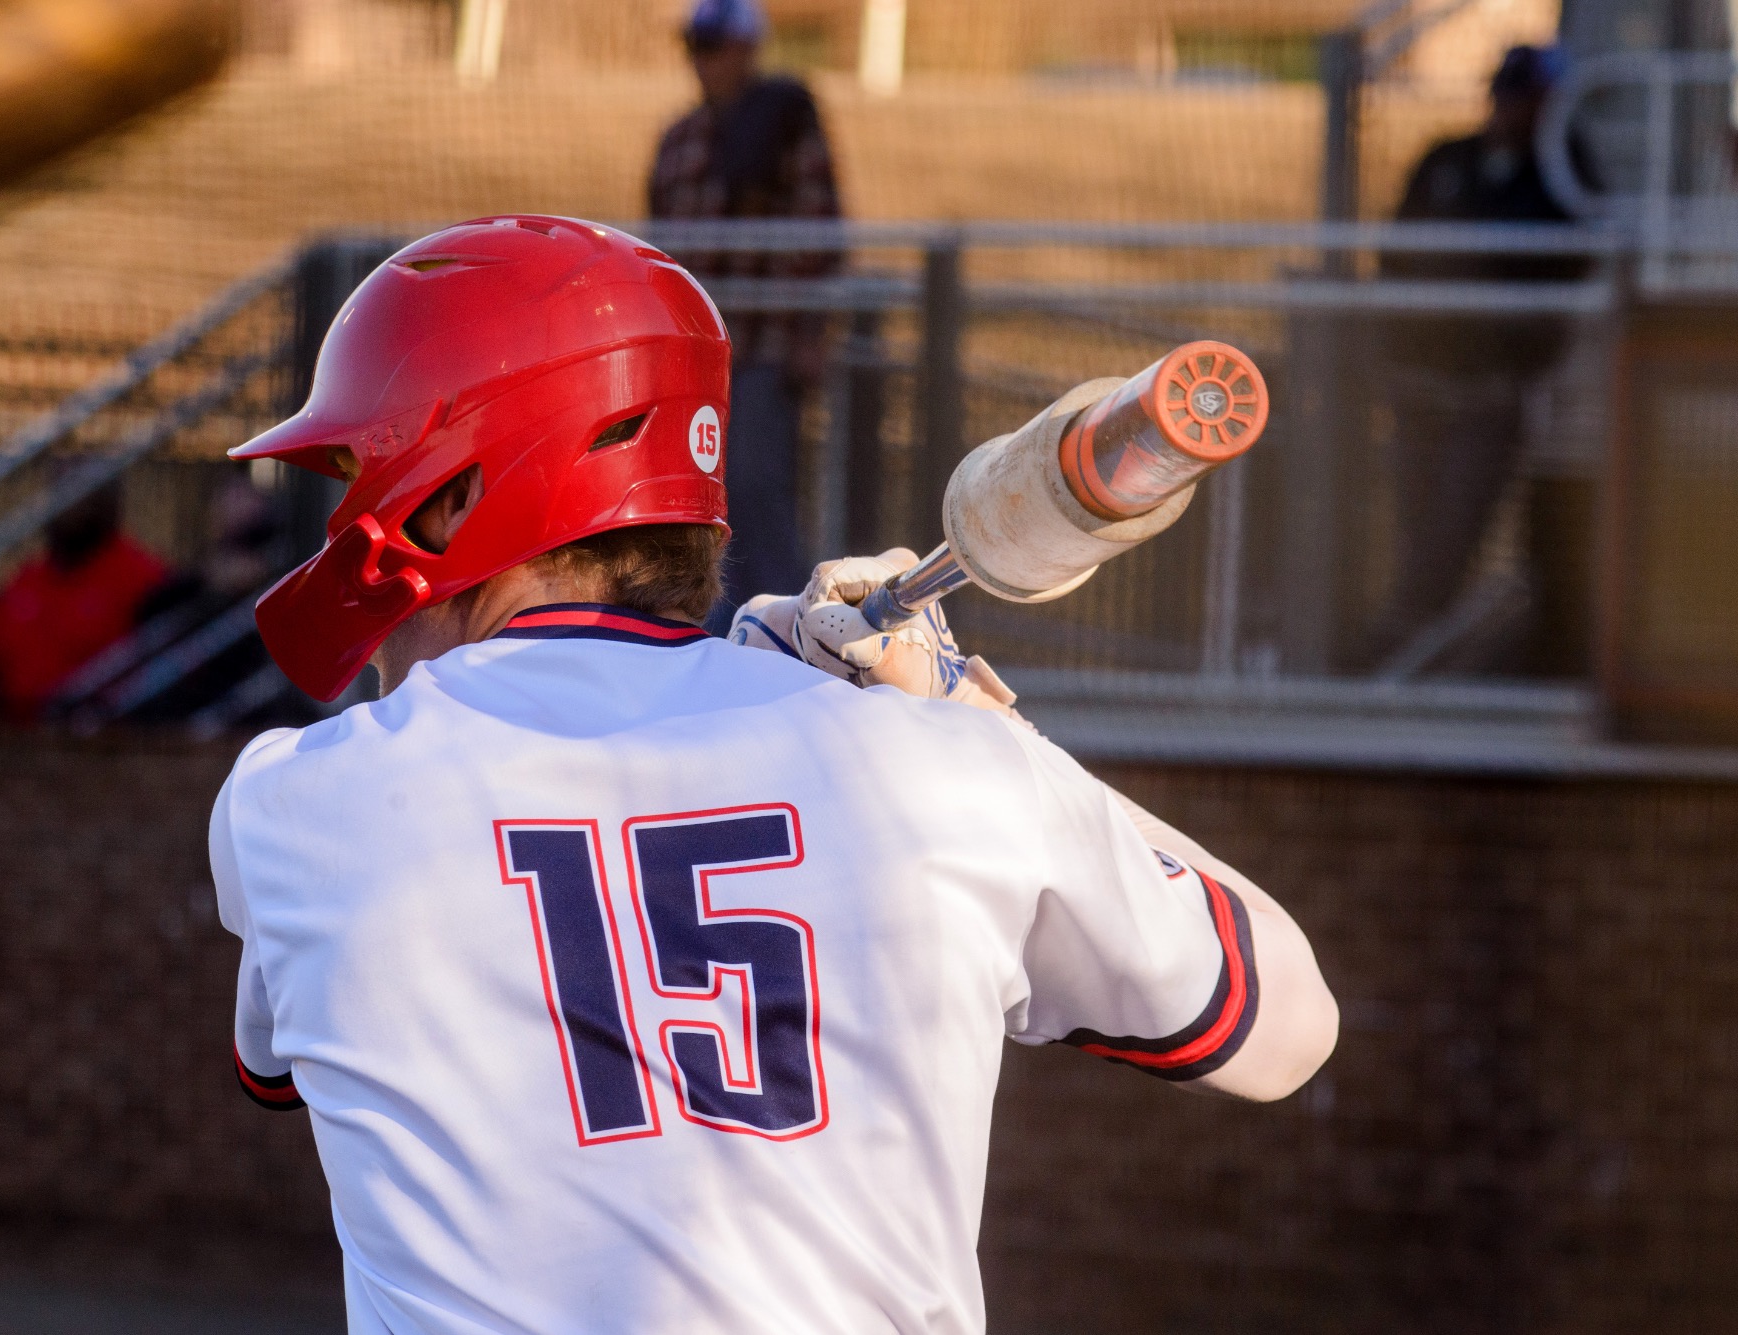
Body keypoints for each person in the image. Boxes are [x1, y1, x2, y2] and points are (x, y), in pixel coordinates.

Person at [210, 217, 1337, 1335]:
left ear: (453, 496)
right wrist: (961, 715)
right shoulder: (941, 773)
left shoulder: (288, 808)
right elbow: (1285, 1027)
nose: (349, 504)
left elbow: (289, 1063)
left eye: (365, 467)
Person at [1375, 44, 1591, 660]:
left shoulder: (1564, 171)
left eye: (1526, 98)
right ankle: (1410, 645)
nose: (1511, 108)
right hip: (1423, 380)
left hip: (1493, 391)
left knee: (1455, 526)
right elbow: (1398, 251)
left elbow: (1570, 265)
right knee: (1416, 521)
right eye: (1505, 93)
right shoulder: (1449, 160)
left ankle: (1416, 643)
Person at [648, 0, 842, 627]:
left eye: (715, 46)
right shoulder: (678, 142)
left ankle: (790, 643)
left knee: (758, 504)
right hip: (687, 367)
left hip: (759, 356)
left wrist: (807, 336)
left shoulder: (786, 127)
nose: (703, 63)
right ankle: (699, 644)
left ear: (748, 50)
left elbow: (820, 241)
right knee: (693, 511)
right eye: (696, 46)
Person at [0, 479, 168, 719]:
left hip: (101, 736)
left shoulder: (141, 577)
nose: (69, 503)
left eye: (79, 487)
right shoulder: (26, 579)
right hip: (17, 733)